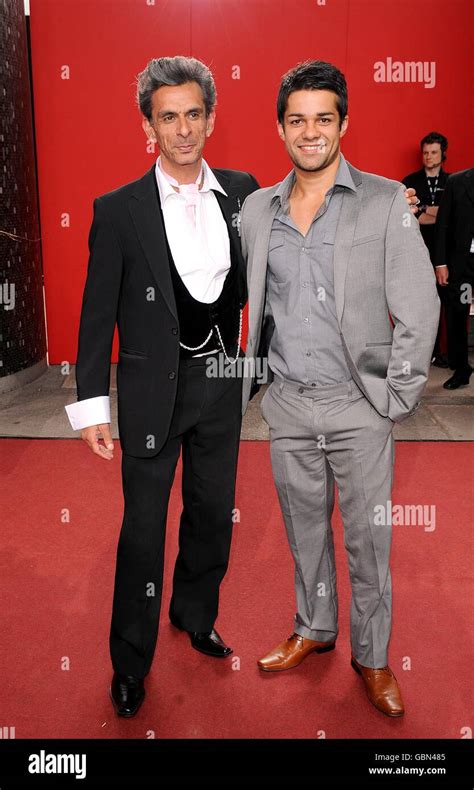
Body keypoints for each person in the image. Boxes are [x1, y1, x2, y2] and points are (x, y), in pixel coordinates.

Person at [240, 60, 439, 717]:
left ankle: (373, 657)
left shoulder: (384, 203)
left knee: (368, 543)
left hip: (360, 407)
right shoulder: (257, 210)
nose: (310, 132)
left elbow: (419, 308)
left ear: (344, 123)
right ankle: (315, 628)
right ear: (280, 128)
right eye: (297, 120)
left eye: (323, 118)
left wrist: (395, 399)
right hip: (289, 406)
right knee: (304, 534)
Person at [65, 55, 259, 717]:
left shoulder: (243, 193)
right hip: (153, 392)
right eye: (168, 117)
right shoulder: (118, 210)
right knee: (143, 533)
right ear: (149, 125)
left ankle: (195, 615)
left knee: (212, 515)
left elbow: (271, 272)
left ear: (211, 118)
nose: (183, 129)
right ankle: (129, 662)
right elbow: (96, 316)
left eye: (193, 114)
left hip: (223, 385)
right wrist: (92, 405)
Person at [402, 132, 450, 367]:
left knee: (445, 302)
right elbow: (414, 217)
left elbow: (452, 217)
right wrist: (438, 212)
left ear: (443, 154)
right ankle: (424, 352)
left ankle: (442, 352)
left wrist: (425, 209)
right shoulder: (410, 181)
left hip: (446, 251)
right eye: (425, 153)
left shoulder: (451, 181)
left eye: (433, 152)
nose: (428, 157)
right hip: (417, 248)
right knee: (420, 304)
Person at [434, 168, 474, 389]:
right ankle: (461, 369)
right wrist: (441, 263)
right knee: (458, 314)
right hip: (463, 264)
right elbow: (443, 224)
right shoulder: (456, 182)